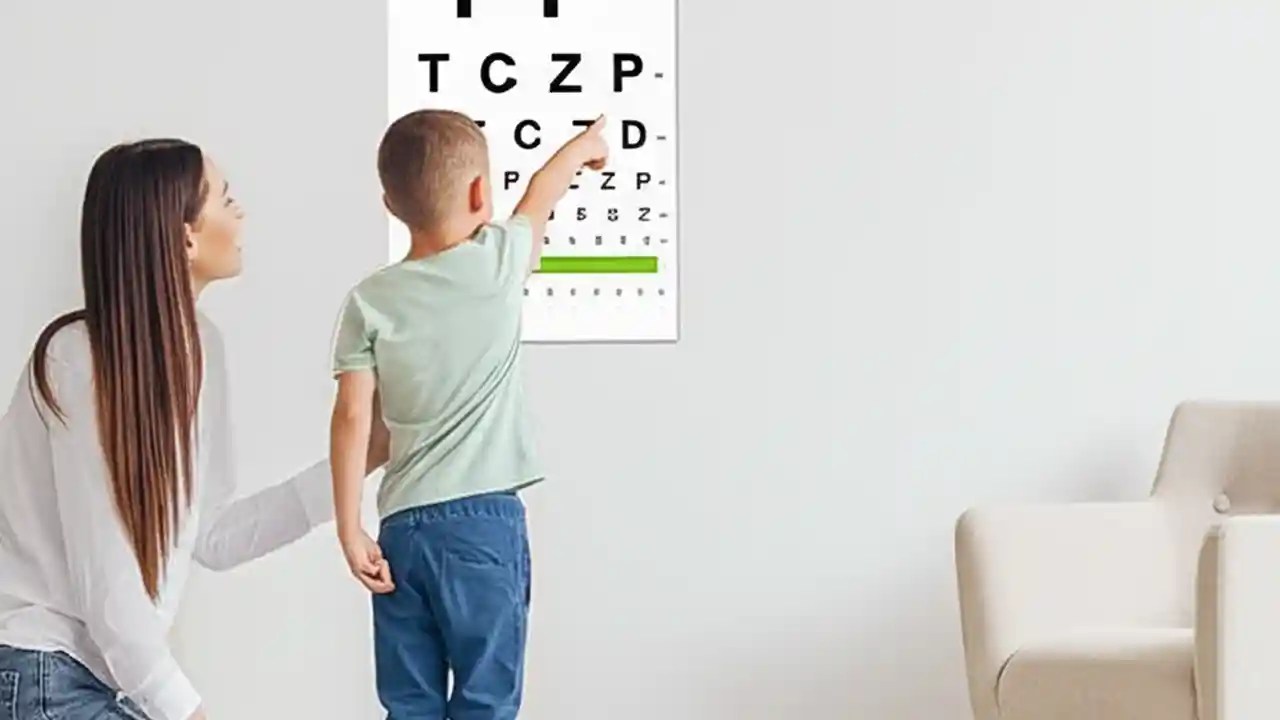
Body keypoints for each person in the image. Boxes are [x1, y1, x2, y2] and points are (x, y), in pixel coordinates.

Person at [0, 139, 389, 720]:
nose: (242, 214)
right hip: (42, 673)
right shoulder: (76, 360)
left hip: (107, 678)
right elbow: (105, 581)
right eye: (227, 200)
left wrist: (364, 456)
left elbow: (213, 534)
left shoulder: (200, 348)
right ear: (185, 236)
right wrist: (186, 710)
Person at [328, 110, 608, 719]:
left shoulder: (368, 300)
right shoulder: (497, 261)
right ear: (482, 192)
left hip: (400, 530)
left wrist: (350, 529)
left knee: (409, 703)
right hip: (483, 525)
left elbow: (352, 417)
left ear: (389, 203)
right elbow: (542, 189)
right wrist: (584, 146)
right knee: (485, 697)